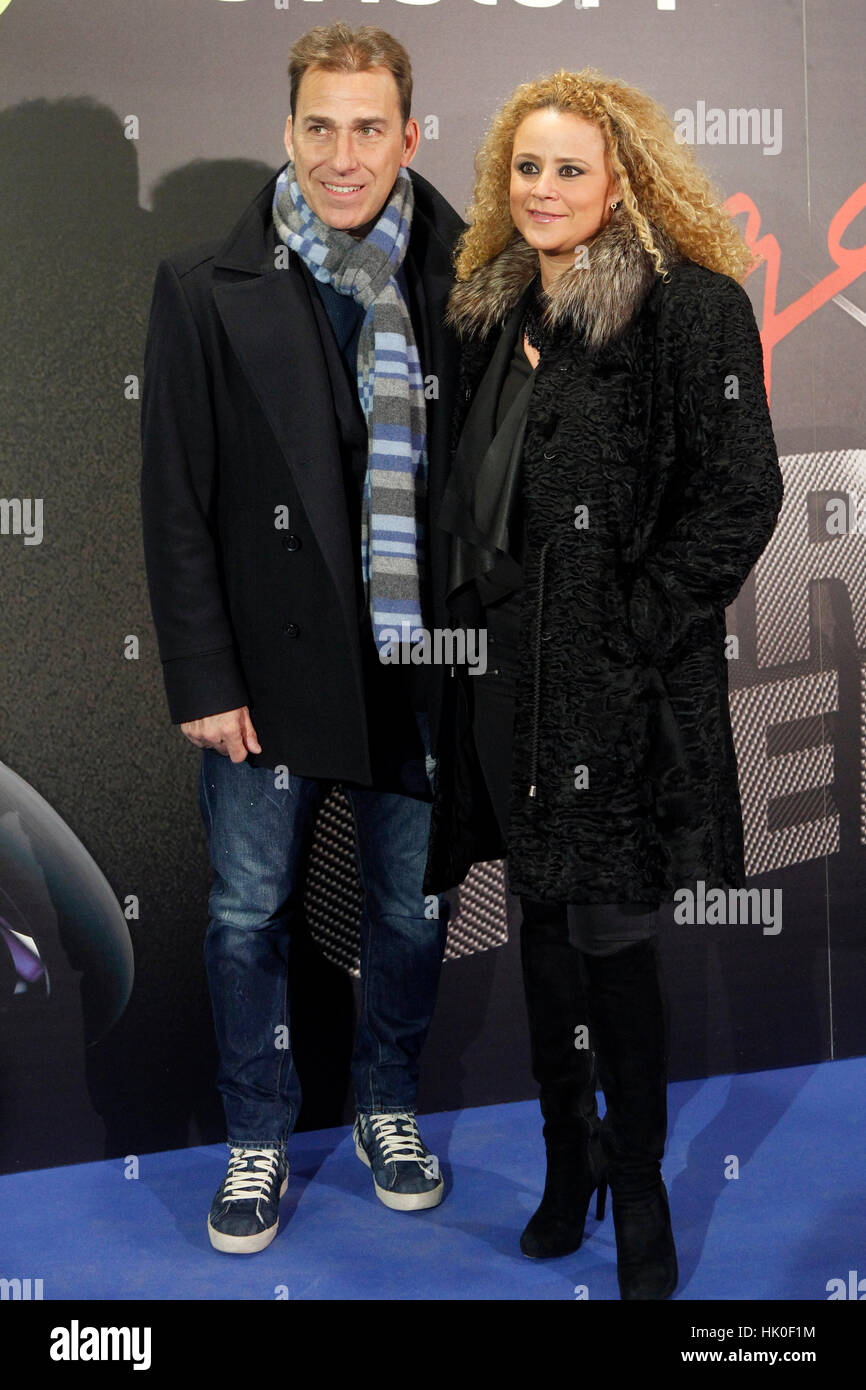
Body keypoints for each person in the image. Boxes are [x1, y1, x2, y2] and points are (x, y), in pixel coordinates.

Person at [424, 68, 784, 1299]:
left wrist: (636, 620)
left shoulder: (692, 312)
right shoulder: (488, 310)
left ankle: (636, 1186)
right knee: (539, 933)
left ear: (621, 176)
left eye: (567, 166)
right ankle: (562, 1164)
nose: (541, 188)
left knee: (613, 940)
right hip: (511, 691)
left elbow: (742, 491)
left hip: (623, 698)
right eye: (524, 166)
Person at [140, 23, 464, 1254]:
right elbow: (174, 501)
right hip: (265, 680)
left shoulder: (470, 273)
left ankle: (386, 1105)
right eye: (319, 127)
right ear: (287, 133)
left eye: (367, 127)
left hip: (420, 669)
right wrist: (205, 674)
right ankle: (257, 1137)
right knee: (245, 914)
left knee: (409, 911)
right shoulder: (198, 286)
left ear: (407, 135)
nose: (342, 156)